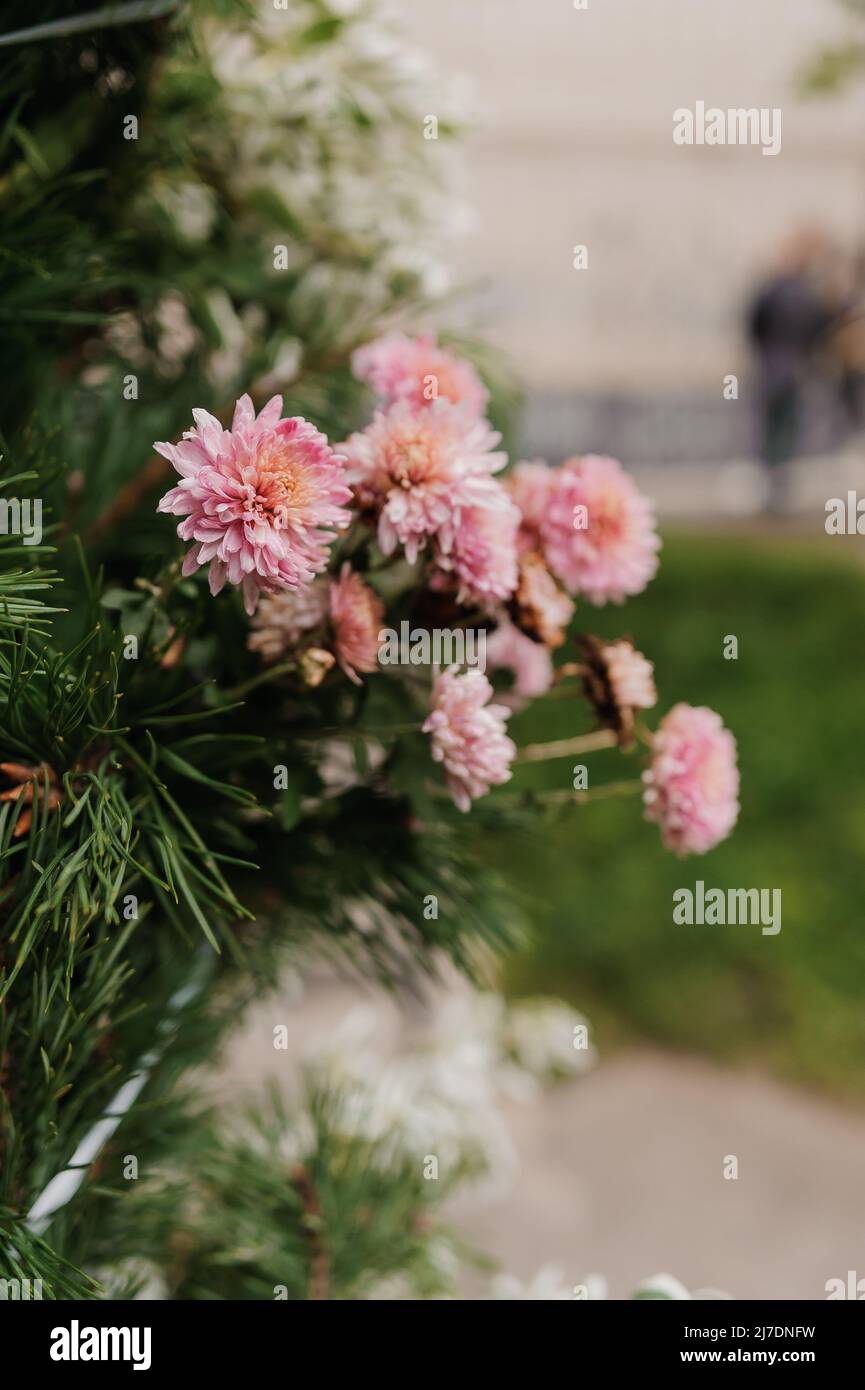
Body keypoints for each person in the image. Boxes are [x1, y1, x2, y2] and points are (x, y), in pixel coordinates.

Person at [747, 229, 836, 510]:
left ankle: (772, 483)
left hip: (770, 367)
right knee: (785, 428)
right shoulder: (810, 293)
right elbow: (821, 330)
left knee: (772, 427)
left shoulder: (773, 289)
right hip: (796, 370)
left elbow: (753, 324)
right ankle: (780, 484)